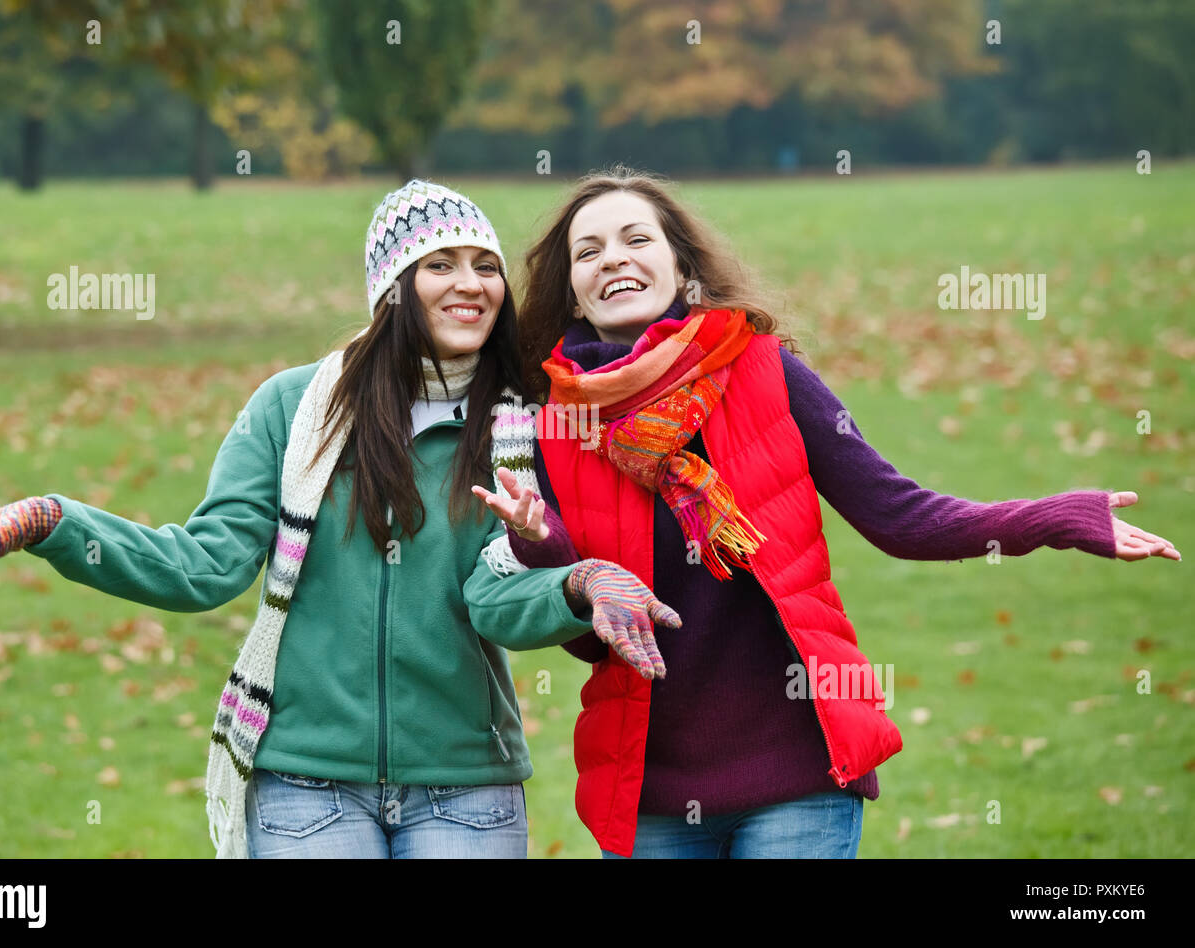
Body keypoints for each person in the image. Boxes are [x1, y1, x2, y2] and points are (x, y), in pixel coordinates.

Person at [0, 178, 678, 859]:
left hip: (468, 792)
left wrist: (577, 580)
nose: (471, 284)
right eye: (439, 265)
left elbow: (496, 598)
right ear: (393, 287)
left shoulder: (515, 421)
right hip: (305, 789)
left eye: (484, 265)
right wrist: (54, 522)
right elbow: (203, 565)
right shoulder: (293, 409)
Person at [473, 165, 1181, 859]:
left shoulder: (763, 370)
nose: (613, 260)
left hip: (800, 783)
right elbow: (597, 642)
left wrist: (1057, 518)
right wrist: (544, 544)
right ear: (571, 291)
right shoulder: (556, 430)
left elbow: (901, 517)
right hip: (652, 798)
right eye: (588, 251)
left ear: (682, 268)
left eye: (637, 239)